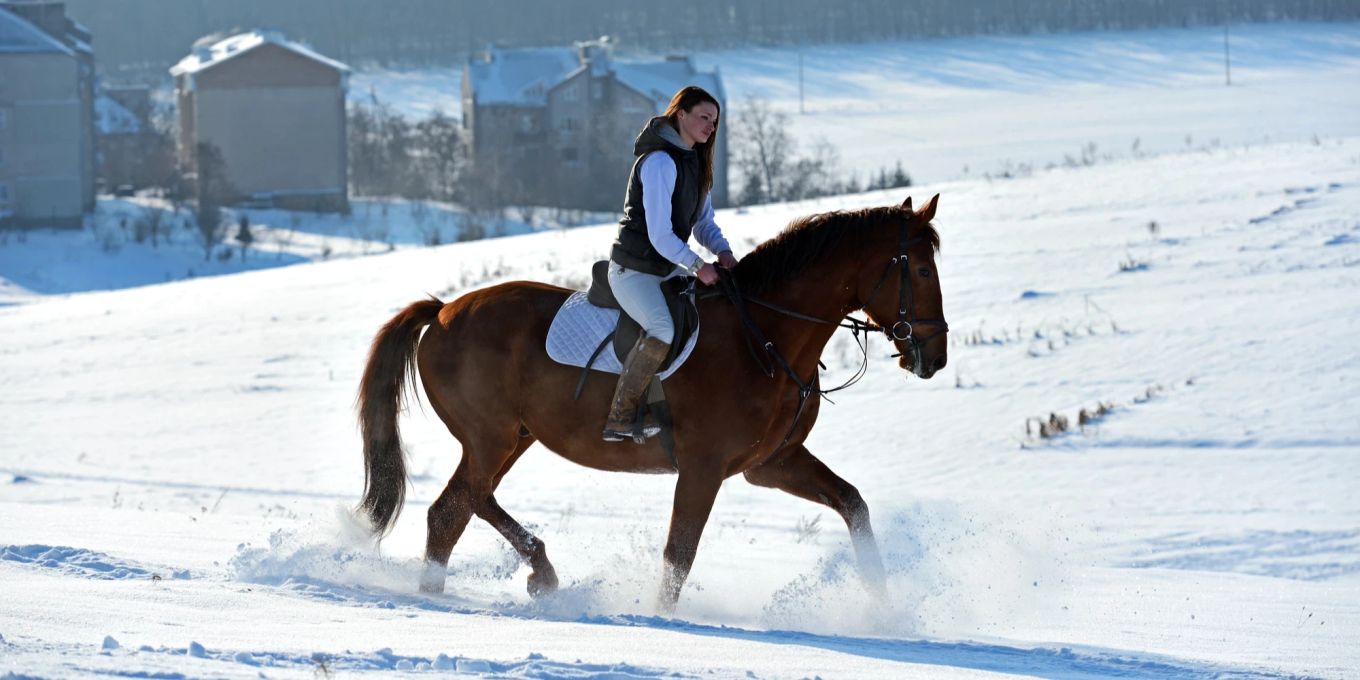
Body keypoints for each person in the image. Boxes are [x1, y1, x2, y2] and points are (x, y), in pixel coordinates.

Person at [603, 86, 738, 443]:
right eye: (703, 117)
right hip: (632, 271)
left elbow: (703, 223)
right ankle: (622, 415)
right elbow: (661, 235)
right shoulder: (660, 162)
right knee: (662, 328)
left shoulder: (696, 163)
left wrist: (723, 252)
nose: (710, 126)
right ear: (681, 114)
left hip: (663, 269)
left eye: (715, 121)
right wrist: (698, 265)